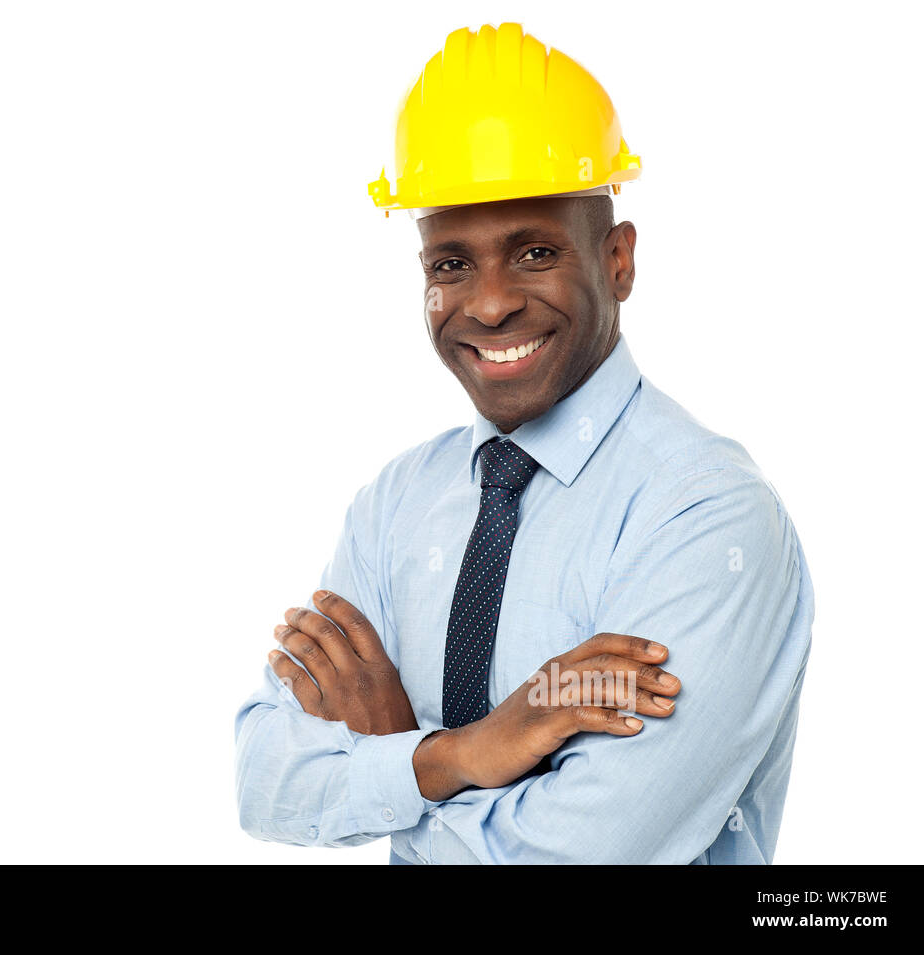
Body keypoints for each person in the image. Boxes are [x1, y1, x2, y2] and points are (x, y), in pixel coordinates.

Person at [232, 22, 813, 865]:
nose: (491, 304)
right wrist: (459, 753)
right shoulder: (396, 503)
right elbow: (262, 779)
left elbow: (584, 853)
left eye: (535, 252)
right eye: (451, 265)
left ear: (617, 261)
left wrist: (390, 766)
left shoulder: (706, 517)